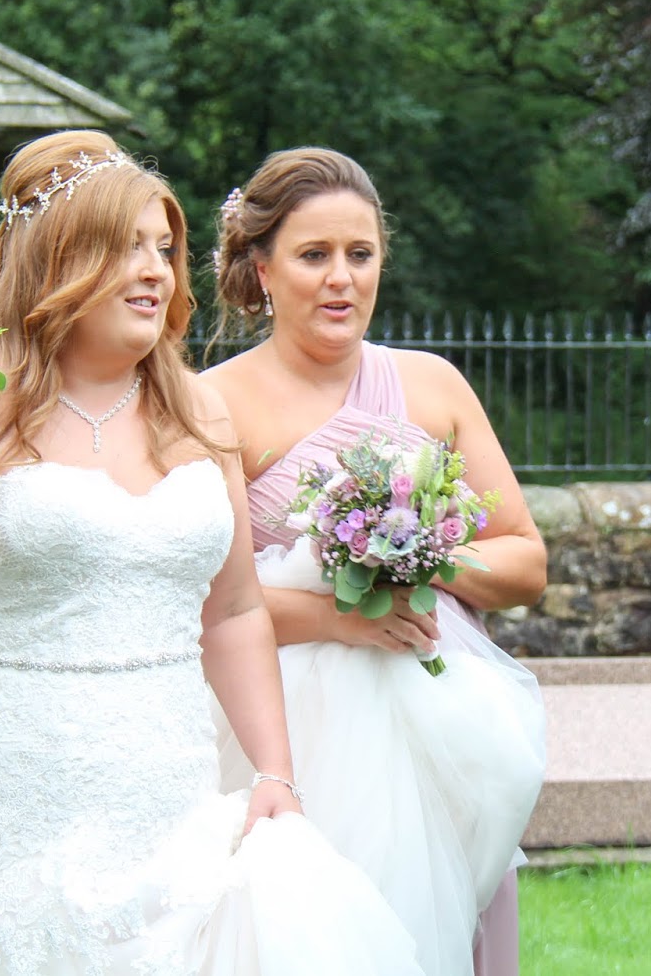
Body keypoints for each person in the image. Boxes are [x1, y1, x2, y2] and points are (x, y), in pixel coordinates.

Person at [0, 130, 423, 975]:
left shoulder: (198, 413)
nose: (158, 269)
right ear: (60, 256)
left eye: (165, 247)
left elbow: (231, 614)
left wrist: (276, 773)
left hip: (163, 784)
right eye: (128, 247)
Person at [199, 147, 548, 976]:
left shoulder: (432, 386)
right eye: (313, 256)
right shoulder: (213, 405)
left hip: (436, 720)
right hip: (284, 723)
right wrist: (343, 617)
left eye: (360, 255)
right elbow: (205, 601)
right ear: (262, 267)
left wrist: (422, 554)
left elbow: (525, 560)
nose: (341, 279)